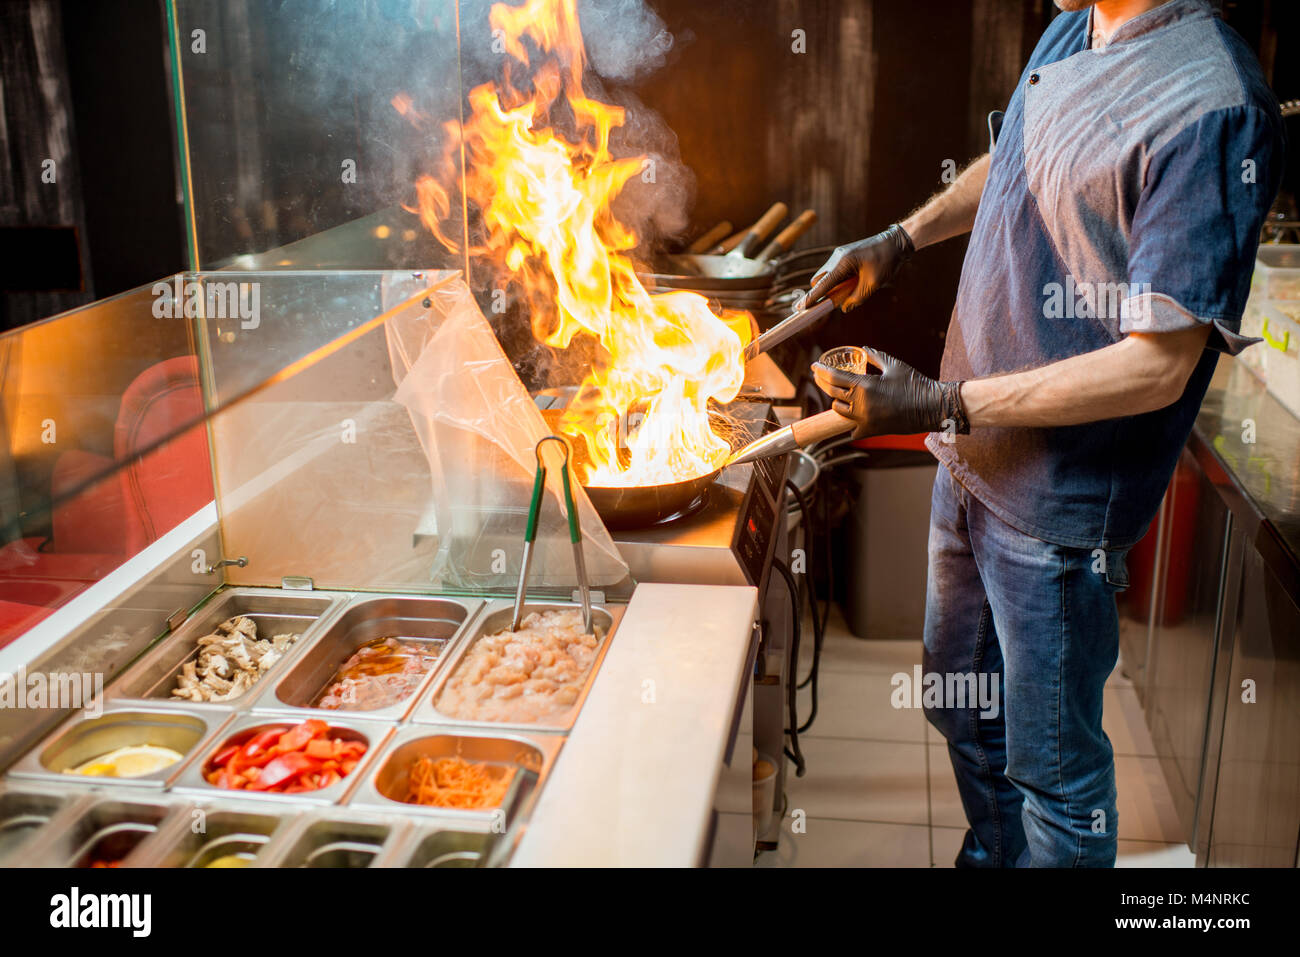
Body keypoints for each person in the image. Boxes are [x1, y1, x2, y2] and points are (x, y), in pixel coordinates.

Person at [804, 0, 1284, 867]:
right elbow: (1023, 152)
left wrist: (946, 403)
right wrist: (903, 238)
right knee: (961, 708)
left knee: (1055, 780)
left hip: (1056, 513)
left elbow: (1157, 366)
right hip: (971, 465)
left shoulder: (1215, 104)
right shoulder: (1078, 24)